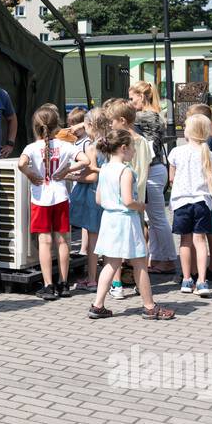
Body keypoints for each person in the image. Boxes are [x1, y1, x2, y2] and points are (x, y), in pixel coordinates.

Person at [87, 129, 176, 321]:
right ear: (123, 148)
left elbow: (99, 199)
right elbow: (128, 200)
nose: (135, 151)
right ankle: (150, 306)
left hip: (109, 219)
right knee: (140, 263)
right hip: (126, 220)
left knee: (111, 263)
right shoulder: (126, 171)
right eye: (133, 148)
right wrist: (141, 205)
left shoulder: (104, 170)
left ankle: (98, 304)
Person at [18, 105, 86, 301]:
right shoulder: (66, 146)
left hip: (40, 198)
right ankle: (64, 283)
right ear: (57, 126)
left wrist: (30, 174)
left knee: (45, 242)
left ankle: (48, 285)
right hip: (61, 195)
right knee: (63, 241)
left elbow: (21, 163)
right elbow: (86, 161)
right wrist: (66, 172)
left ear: (35, 127)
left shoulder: (31, 148)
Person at [104, 100, 152, 301]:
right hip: (135, 199)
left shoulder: (126, 145)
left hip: (123, 201)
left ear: (122, 120)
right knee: (138, 245)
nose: (110, 125)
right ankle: (138, 284)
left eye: (112, 121)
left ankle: (117, 284)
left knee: (114, 248)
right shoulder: (142, 142)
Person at [129, 81, 177, 273]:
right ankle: (158, 258)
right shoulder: (155, 114)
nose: (130, 103)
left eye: (132, 99)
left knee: (157, 219)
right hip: (156, 169)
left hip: (151, 170)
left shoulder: (143, 116)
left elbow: (118, 117)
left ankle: (168, 259)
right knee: (154, 219)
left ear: (141, 96)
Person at [168, 113, 212, 298]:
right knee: (200, 241)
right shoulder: (209, 154)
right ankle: (202, 281)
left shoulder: (176, 152)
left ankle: (187, 278)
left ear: (188, 131)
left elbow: (172, 178)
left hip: (182, 202)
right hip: (202, 201)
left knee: (185, 242)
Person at [67, 107, 107, 292]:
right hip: (109, 194)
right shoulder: (109, 142)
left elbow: (92, 176)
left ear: (90, 125)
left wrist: (72, 177)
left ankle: (92, 278)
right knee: (108, 238)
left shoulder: (92, 147)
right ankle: (112, 279)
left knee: (93, 239)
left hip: (93, 195)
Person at [184, 103, 212, 282]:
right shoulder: (211, 141)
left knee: (196, 235)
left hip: (200, 194)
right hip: (208, 193)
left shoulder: (204, 143)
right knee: (211, 231)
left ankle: (194, 271)